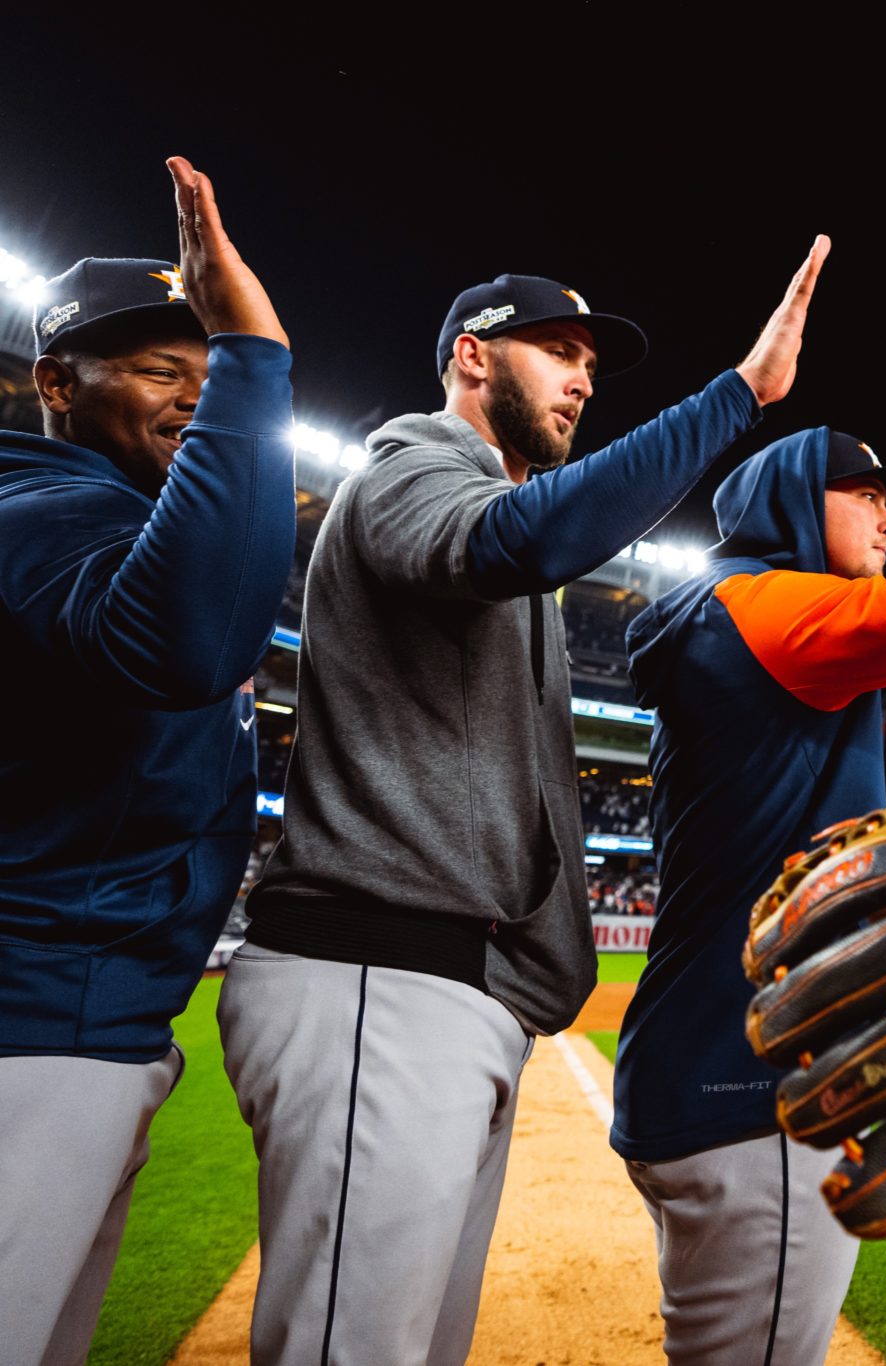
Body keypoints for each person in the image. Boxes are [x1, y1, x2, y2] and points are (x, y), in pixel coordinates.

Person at [220, 239, 829, 1364]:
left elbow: (533, 534)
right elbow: (526, 536)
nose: (583, 377)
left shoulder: (505, 515)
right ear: (469, 357)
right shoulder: (410, 461)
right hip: (378, 972)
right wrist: (736, 395)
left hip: (448, 987)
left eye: (588, 359)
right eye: (556, 350)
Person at [611, 345, 886, 1364]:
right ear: (795, 499)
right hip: (755, 1091)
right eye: (867, 497)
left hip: (711, 1069)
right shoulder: (764, 613)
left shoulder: (746, 616)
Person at [0, 158, 295, 1366]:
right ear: (56, 385)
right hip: (33, 1018)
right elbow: (178, 644)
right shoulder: (36, 503)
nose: (192, 394)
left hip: (91, 1018)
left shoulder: (106, 512)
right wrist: (256, 361)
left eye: (206, 371)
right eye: (160, 369)